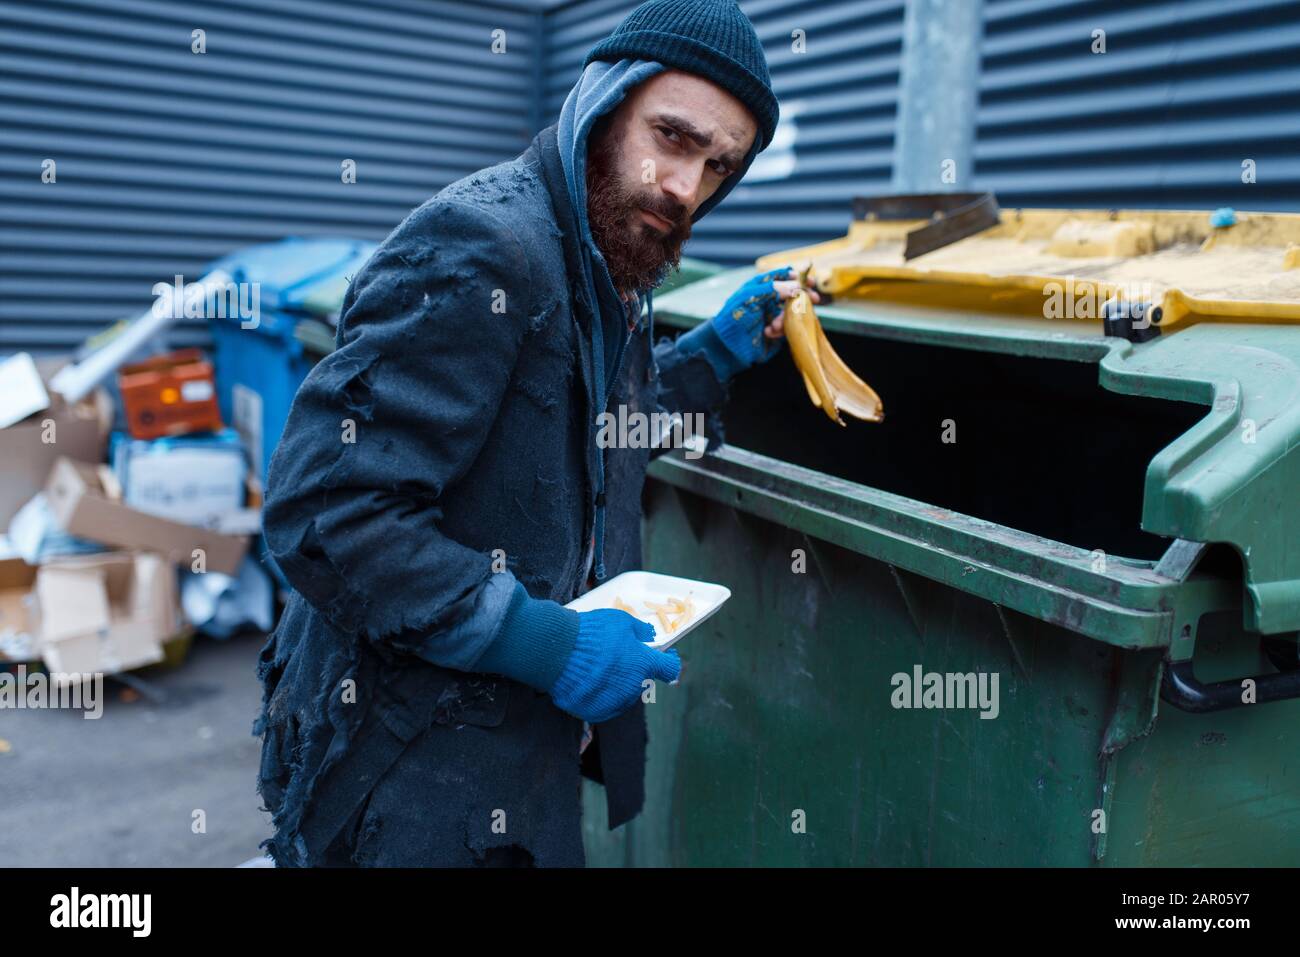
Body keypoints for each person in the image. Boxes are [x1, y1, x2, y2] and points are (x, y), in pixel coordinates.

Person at [252, 0, 819, 867]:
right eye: (671, 136)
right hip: (396, 758)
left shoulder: (614, 260)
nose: (684, 188)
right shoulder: (484, 245)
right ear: (604, 101)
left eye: (717, 166)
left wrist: (716, 354)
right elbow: (328, 513)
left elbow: (590, 431)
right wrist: (547, 643)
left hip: (514, 747)